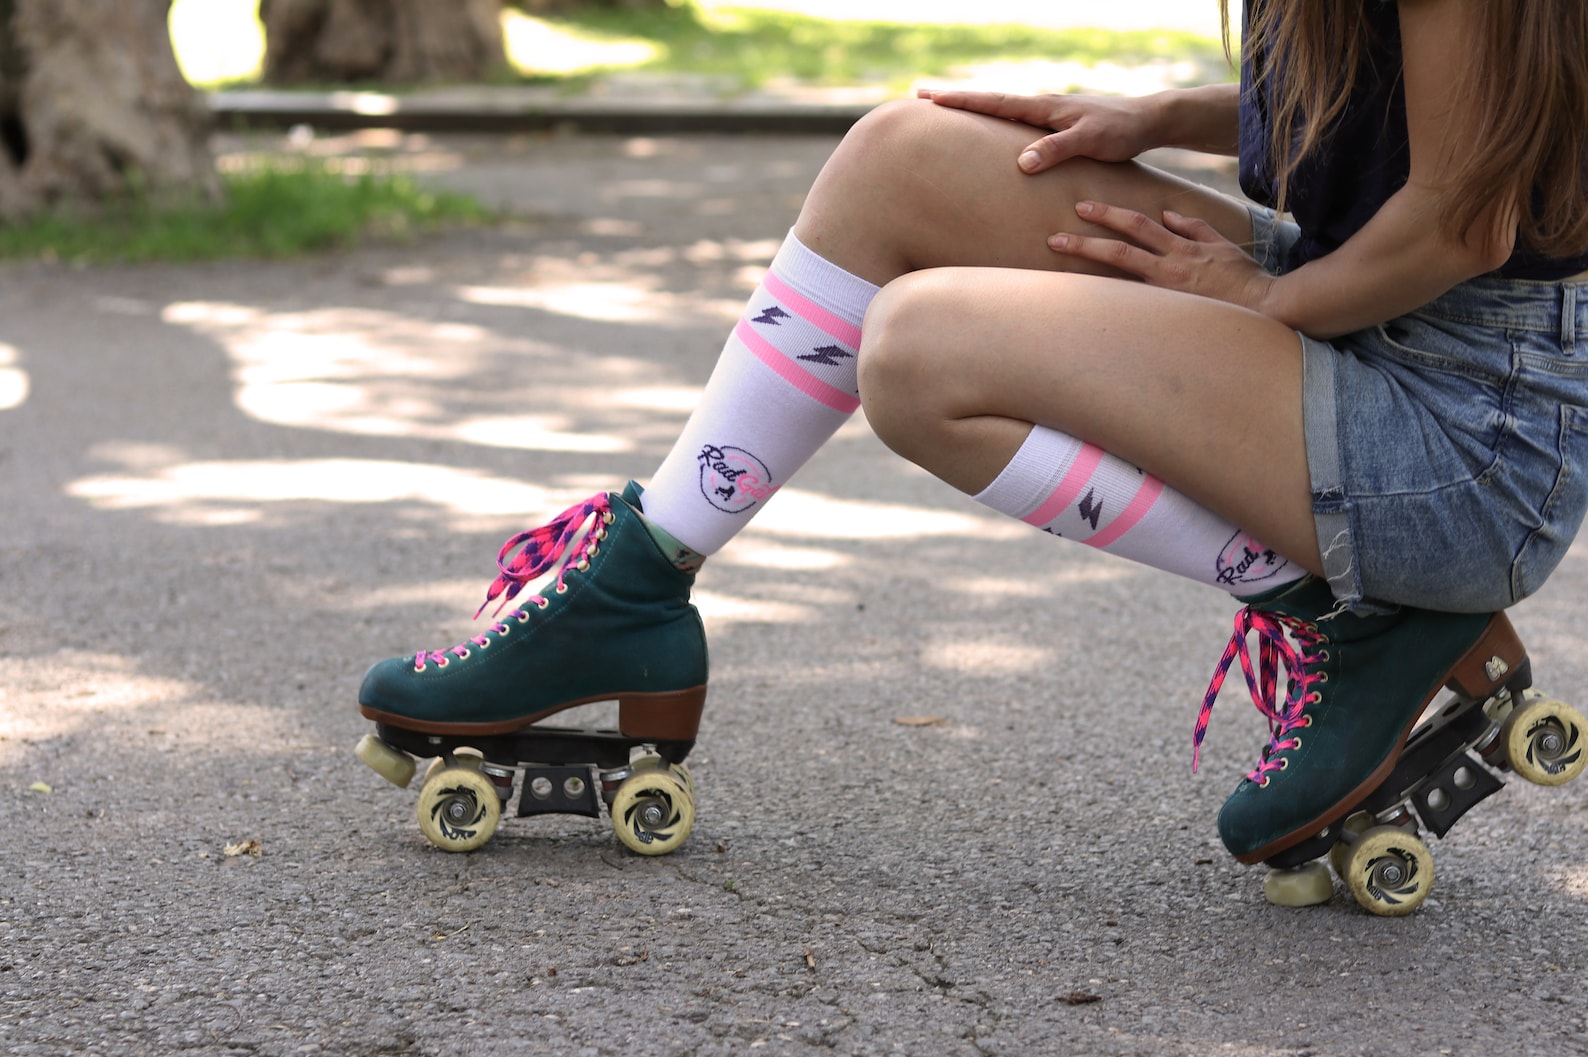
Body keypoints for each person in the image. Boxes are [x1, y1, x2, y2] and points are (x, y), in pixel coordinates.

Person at [357, 0, 1588, 868]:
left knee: (922, 353)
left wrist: (1261, 302)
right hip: (1372, 319)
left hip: (1464, 438)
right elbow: (1416, 106)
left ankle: (1359, 614)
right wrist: (1156, 113)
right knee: (902, 155)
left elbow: (1463, 218)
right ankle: (631, 593)